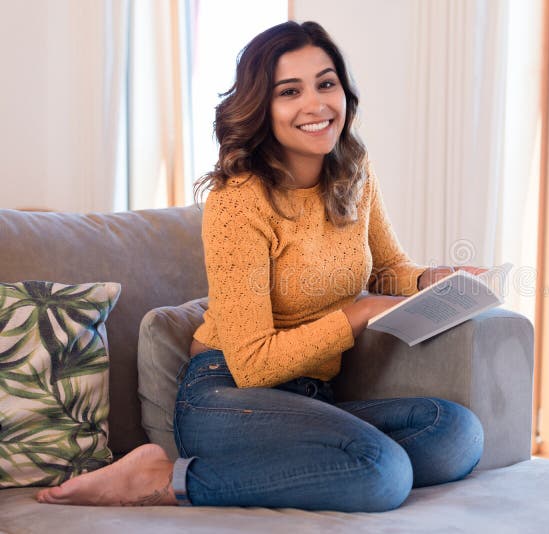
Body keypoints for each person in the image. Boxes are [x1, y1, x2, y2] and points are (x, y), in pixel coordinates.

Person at [36, 20, 484, 511]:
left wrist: (427, 279)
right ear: (262, 107)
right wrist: (358, 314)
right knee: (382, 472)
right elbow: (251, 364)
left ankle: (329, 465)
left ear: (344, 92)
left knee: (455, 433)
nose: (316, 105)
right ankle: (164, 477)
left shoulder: (355, 170)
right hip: (226, 395)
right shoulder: (239, 203)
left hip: (312, 397)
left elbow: (388, 266)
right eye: (290, 91)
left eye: (326, 83)